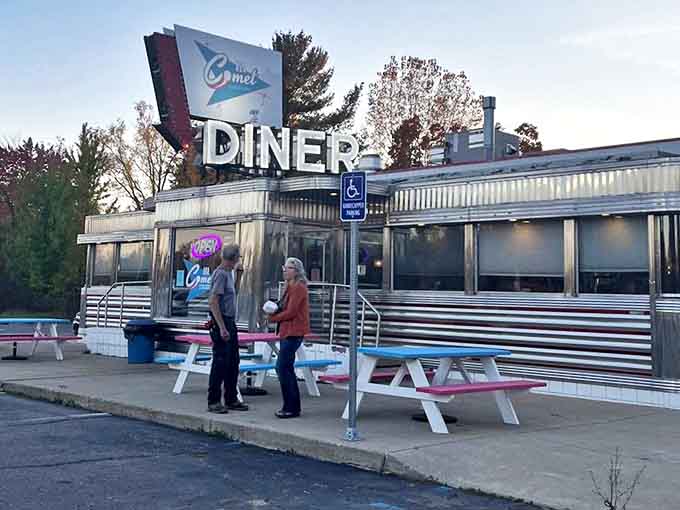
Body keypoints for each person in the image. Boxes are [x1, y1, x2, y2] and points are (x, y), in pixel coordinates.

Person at [206, 243, 248, 413]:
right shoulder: (221, 275)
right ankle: (214, 400)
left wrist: (239, 275)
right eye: (238, 257)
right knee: (220, 362)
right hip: (222, 321)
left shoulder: (229, 274)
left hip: (230, 321)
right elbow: (213, 301)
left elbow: (233, 294)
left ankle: (231, 398)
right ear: (234, 258)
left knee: (233, 361)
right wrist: (222, 327)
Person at [267, 257, 310, 419]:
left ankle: (291, 407)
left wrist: (273, 319)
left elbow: (292, 311)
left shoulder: (298, 287)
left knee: (283, 368)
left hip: (294, 331)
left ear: (297, 270)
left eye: (289, 268)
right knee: (285, 368)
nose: (285, 270)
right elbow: (283, 307)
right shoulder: (288, 286)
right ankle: (290, 406)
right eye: (284, 267)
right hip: (287, 331)